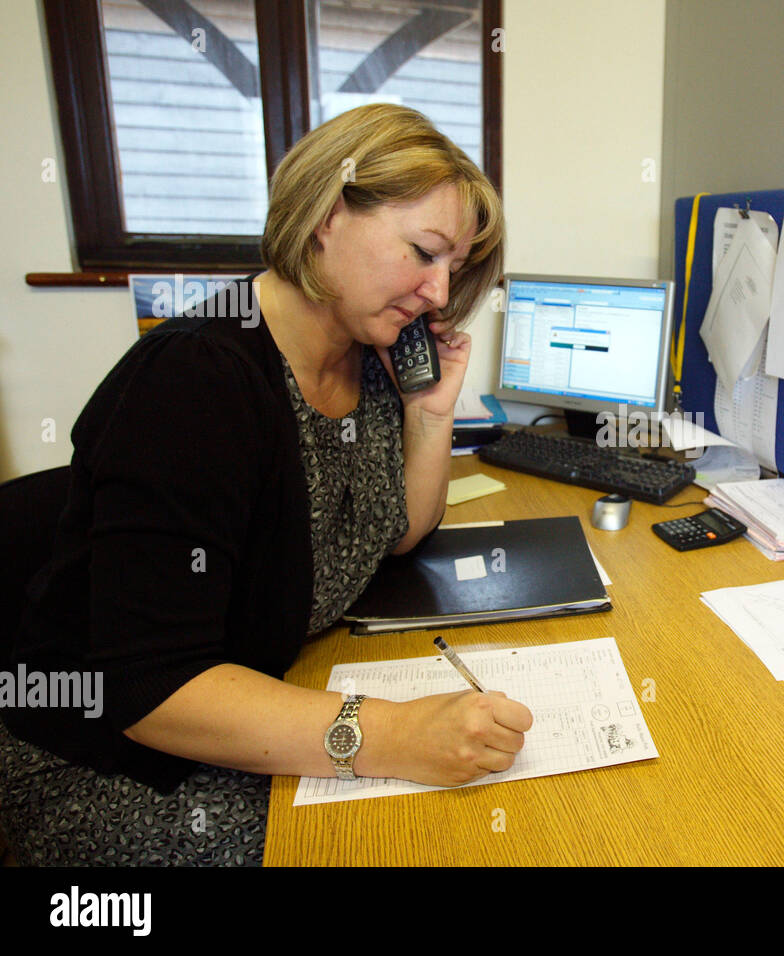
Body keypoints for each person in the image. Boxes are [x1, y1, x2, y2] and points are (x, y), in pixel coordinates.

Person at [0, 103, 531, 865]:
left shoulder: (365, 348)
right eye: (424, 252)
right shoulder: (193, 380)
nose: (440, 293)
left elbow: (400, 531)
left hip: (269, 691)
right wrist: (395, 734)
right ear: (325, 216)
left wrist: (428, 411)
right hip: (123, 758)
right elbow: (149, 685)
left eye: (454, 268)